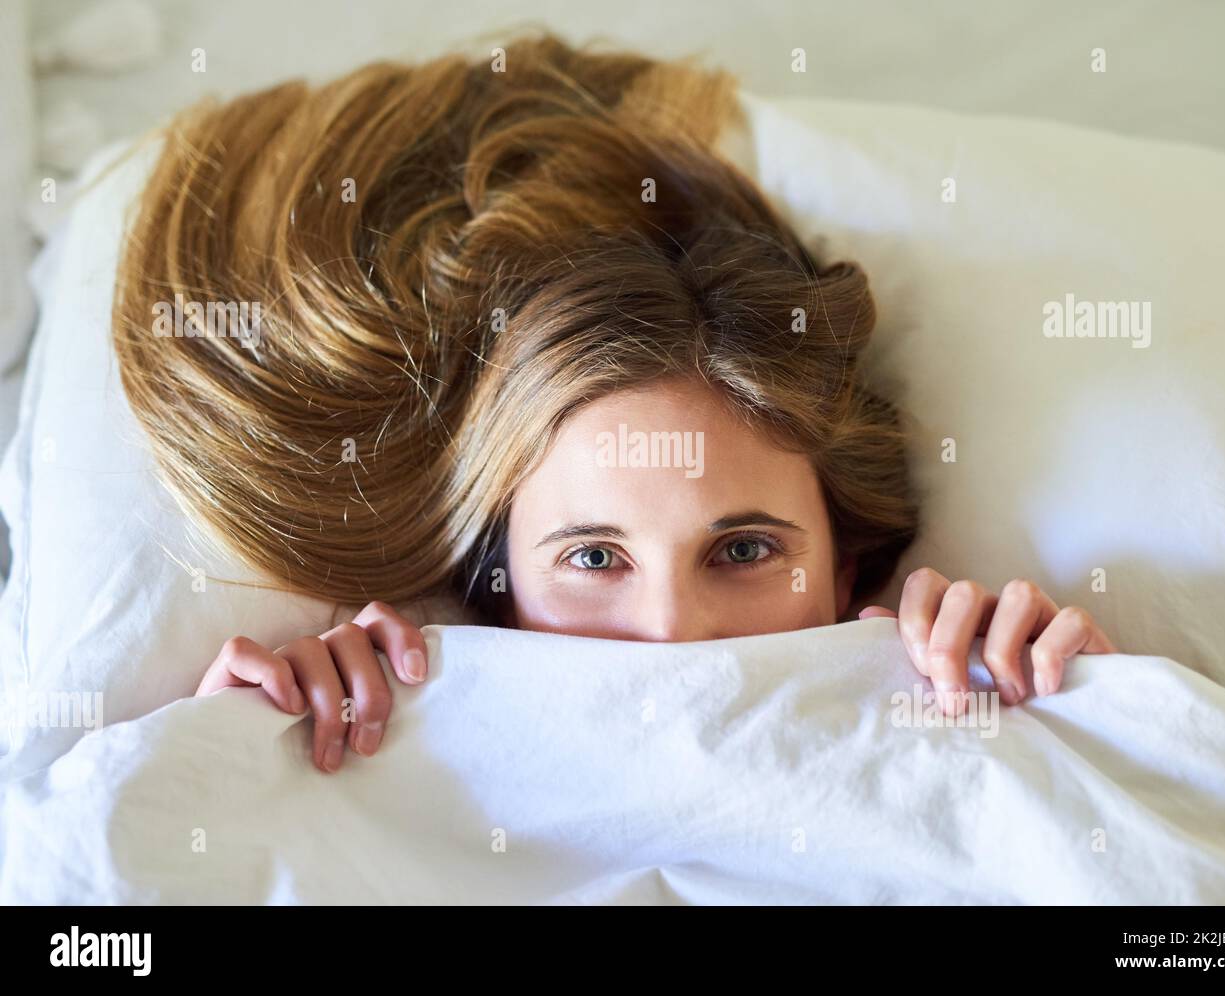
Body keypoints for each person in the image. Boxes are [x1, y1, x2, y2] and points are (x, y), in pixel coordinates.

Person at [113, 32, 1115, 773]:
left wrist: (1094, 725)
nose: (672, 632)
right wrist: (235, 761)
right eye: (593, 558)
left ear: (844, 563)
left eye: (744, 551)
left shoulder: (979, 718)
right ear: (497, 581)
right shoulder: (386, 746)